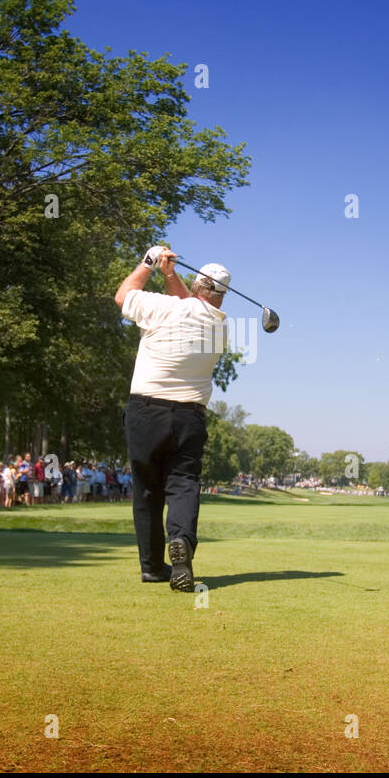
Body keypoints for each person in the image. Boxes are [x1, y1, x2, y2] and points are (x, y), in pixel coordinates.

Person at [115, 245, 229, 590]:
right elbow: (190, 305)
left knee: (148, 489)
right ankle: (180, 541)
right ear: (221, 297)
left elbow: (124, 296)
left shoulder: (165, 308)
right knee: (183, 484)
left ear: (197, 285)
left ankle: (152, 566)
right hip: (189, 417)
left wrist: (150, 263)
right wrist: (169, 275)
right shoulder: (220, 329)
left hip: (146, 411)